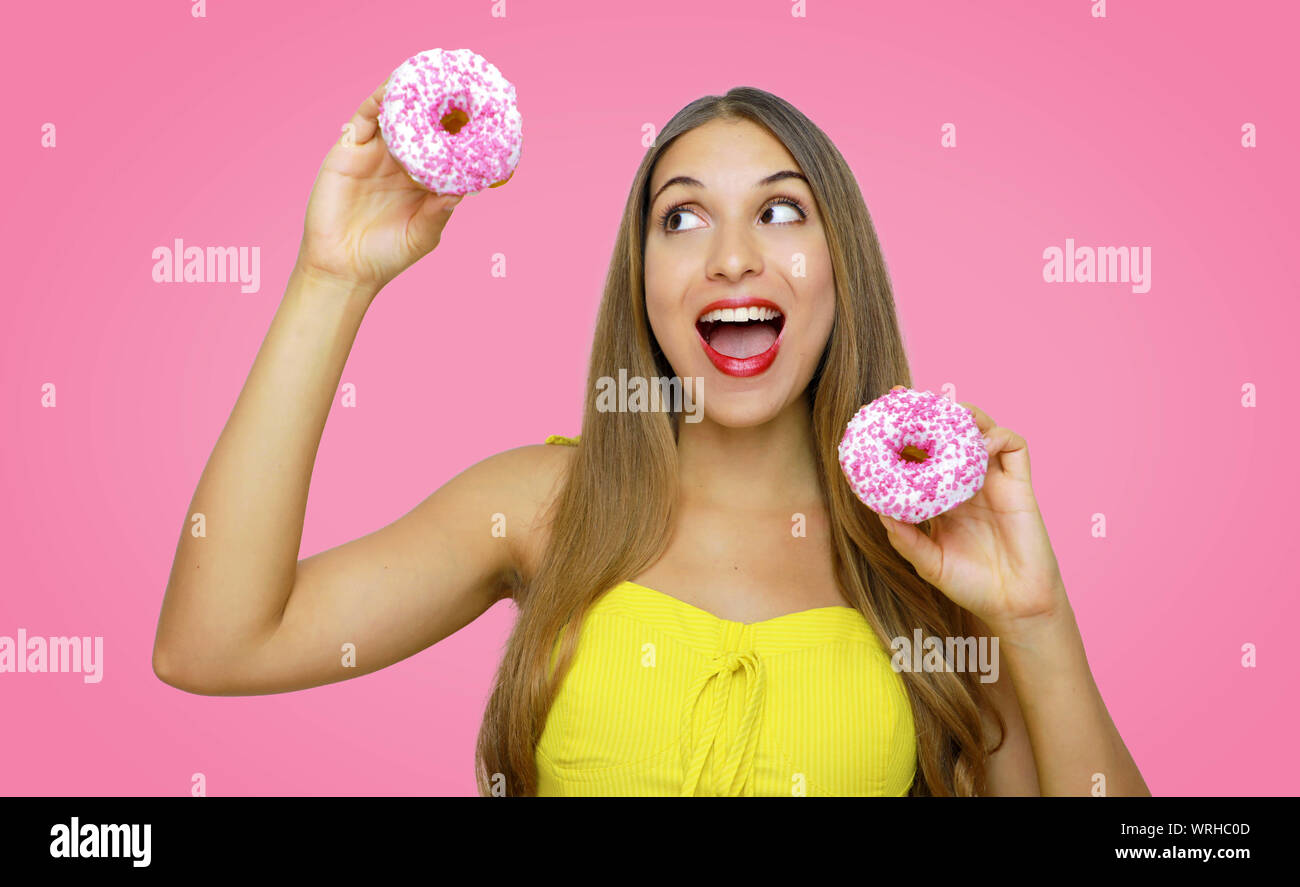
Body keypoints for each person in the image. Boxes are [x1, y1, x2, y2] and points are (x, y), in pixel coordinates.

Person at [153, 81, 1149, 797]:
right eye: (682, 220)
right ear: (643, 283)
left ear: (840, 264)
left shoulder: (933, 556)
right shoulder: (544, 505)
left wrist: (1034, 614)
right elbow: (216, 642)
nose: (730, 257)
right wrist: (334, 277)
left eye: (778, 209)